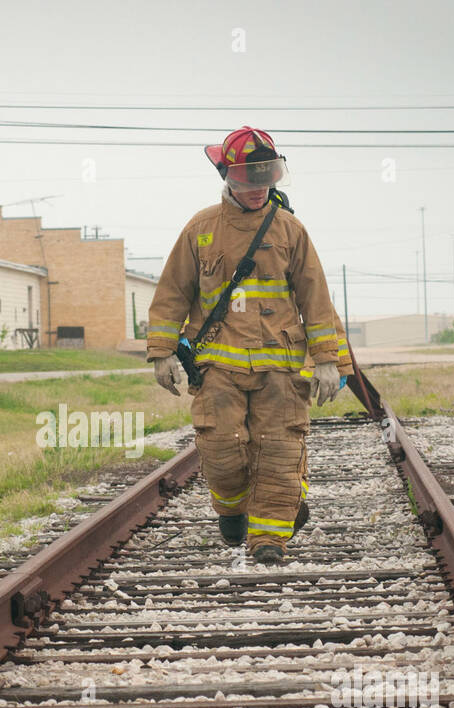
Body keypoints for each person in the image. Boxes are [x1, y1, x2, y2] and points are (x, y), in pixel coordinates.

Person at [146, 126, 354, 564]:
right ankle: (233, 507)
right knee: (221, 452)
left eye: (267, 179)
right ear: (227, 176)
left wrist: (329, 362)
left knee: (279, 451)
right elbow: (171, 294)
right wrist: (162, 351)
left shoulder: (290, 230)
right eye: (248, 180)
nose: (259, 190)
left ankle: (269, 540)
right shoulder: (200, 229)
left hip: (281, 368)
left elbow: (316, 300)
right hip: (218, 368)